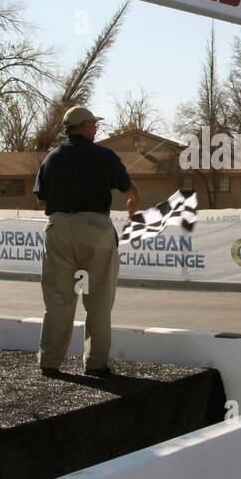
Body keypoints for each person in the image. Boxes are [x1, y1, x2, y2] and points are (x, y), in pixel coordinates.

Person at [34, 106, 141, 377]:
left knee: (58, 299)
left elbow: (41, 200)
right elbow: (131, 190)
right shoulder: (104, 155)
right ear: (83, 126)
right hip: (95, 228)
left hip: (58, 227)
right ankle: (95, 364)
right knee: (99, 300)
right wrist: (132, 203)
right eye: (94, 123)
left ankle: (49, 362)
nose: (96, 127)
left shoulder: (52, 158)